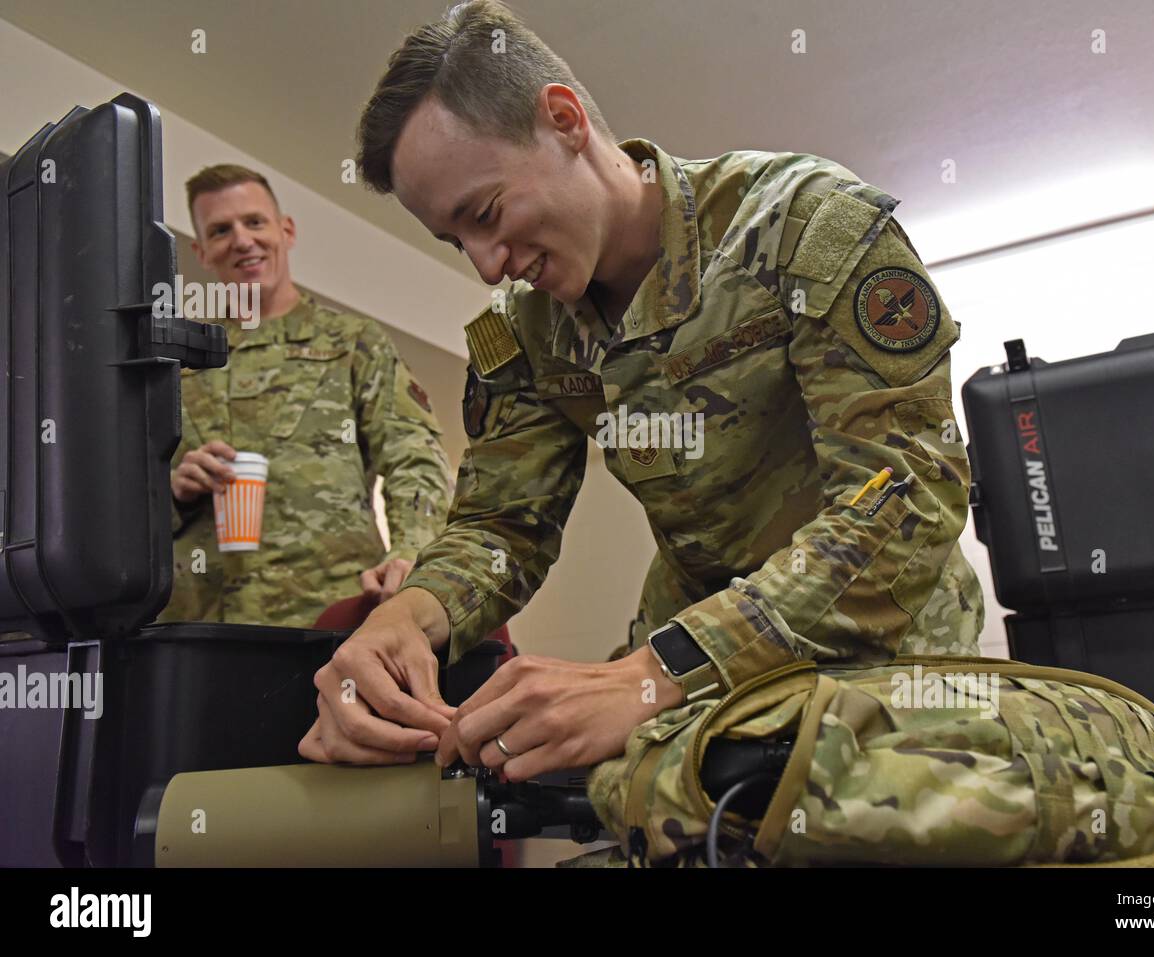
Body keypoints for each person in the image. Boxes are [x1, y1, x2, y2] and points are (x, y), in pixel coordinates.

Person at [298, 0, 984, 774]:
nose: (487, 265)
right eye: (458, 242)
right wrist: (407, 618)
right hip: (687, 672)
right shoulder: (526, 333)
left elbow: (904, 503)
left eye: (486, 213)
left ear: (563, 120)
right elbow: (501, 528)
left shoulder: (801, 228)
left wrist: (653, 674)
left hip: (884, 664)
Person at [161, 164, 454, 628]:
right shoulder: (174, 365)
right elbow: (117, 506)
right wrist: (172, 491)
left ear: (286, 230)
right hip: (201, 629)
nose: (241, 240)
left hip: (329, 623)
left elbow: (412, 456)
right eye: (221, 230)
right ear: (201, 251)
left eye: (254, 222)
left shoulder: (352, 342)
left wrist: (411, 553)